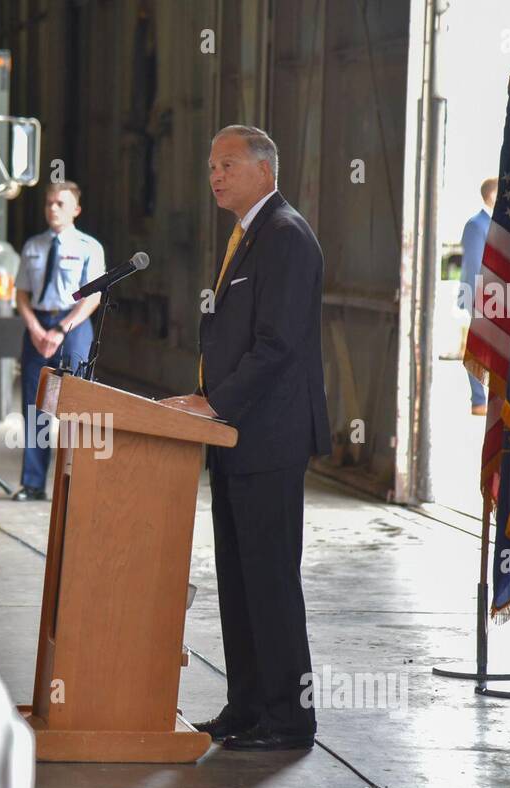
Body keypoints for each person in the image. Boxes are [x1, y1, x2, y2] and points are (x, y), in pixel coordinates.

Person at [160, 125, 330, 751]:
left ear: (265, 168)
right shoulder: (248, 235)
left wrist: (215, 401)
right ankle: (247, 705)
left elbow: (277, 345)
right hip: (237, 435)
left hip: (270, 434)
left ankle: (289, 718)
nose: (215, 175)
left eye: (227, 164)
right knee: (238, 576)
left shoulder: (285, 237)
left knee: (270, 577)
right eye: (211, 165)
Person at [12, 180, 106, 501]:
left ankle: (74, 483)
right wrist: (37, 329)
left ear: (76, 210)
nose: (53, 208)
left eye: (60, 204)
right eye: (49, 203)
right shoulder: (33, 247)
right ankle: (33, 483)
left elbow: (92, 298)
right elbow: (21, 293)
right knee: (34, 407)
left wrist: (61, 329)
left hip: (73, 326)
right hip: (38, 325)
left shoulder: (89, 247)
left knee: (76, 407)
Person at [458, 178, 497, 415]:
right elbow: (472, 265)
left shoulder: (491, 224)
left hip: (493, 297)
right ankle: (479, 399)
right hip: (480, 297)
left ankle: (486, 397)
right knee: (477, 347)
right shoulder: (476, 225)